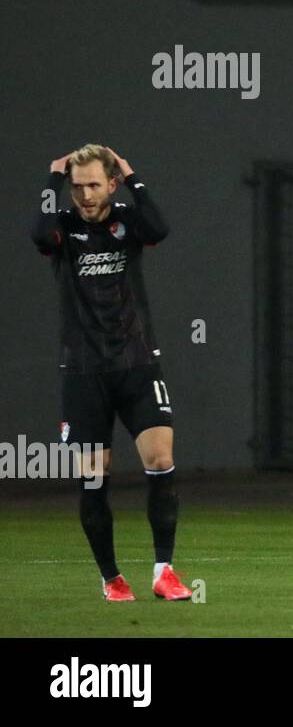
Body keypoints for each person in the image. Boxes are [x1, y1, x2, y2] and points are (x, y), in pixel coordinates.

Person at [31, 144, 191, 602]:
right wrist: (51, 181)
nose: (84, 195)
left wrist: (135, 176)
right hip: (83, 371)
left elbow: (160, 226)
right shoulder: (62, 226)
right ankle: (111, 578)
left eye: (93, 185)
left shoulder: (128, 222)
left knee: (160, 459)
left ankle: (165, 571)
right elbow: (39, 236)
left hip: (137, 362)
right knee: (96, 476)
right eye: (76, 186)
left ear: (112, 183)